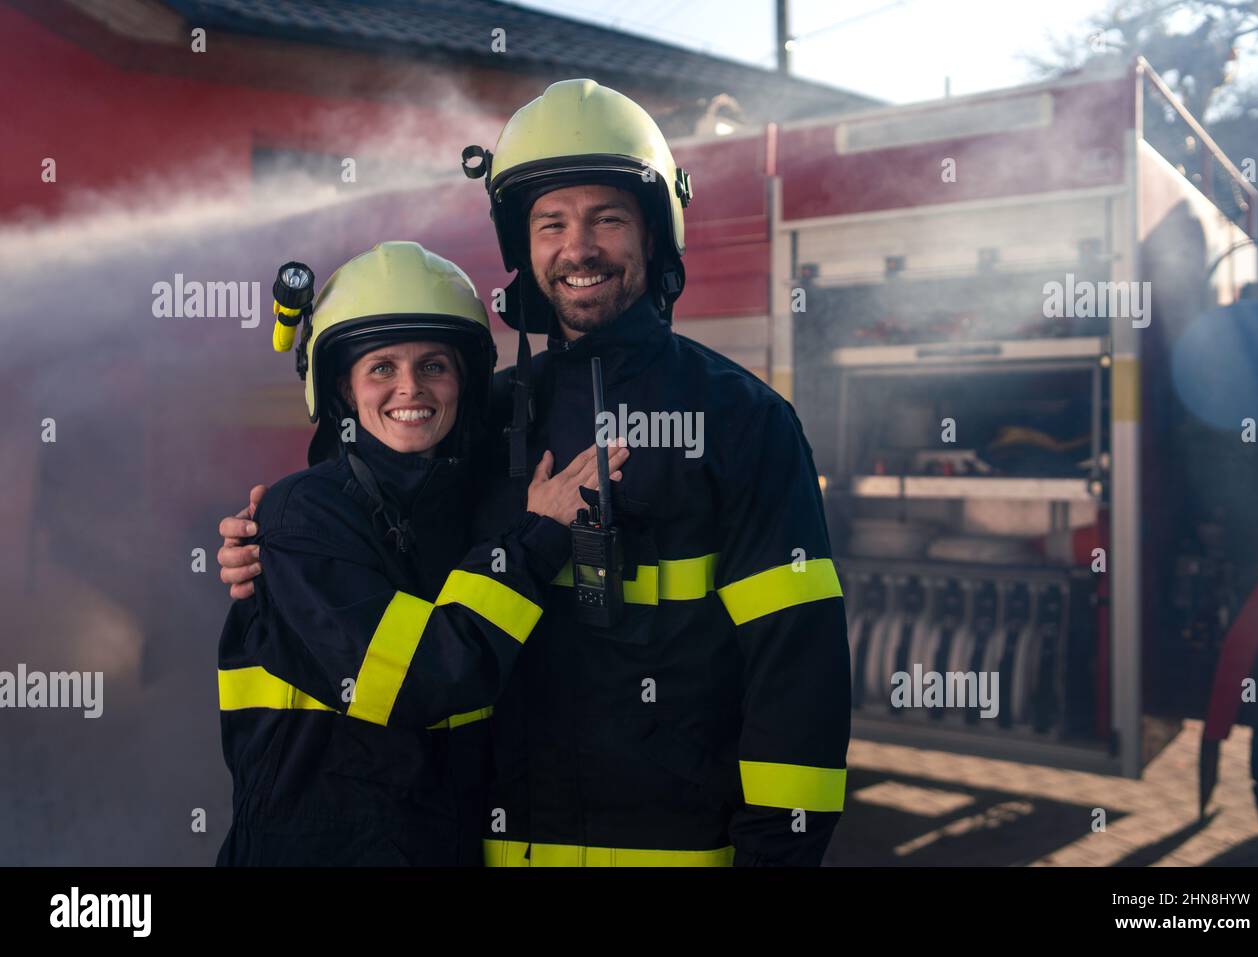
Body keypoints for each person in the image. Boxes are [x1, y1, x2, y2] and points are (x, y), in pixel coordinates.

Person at [221, 79, 849, 867]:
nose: (578, 248)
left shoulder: (742, 421)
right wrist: (268, 537)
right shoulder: (480, 415)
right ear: (522, 249)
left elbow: (799, 667)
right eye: (551, 223)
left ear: (655, 235)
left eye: (607, 219)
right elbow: (369, 529)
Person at [216, 241, 627, 866]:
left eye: (433, 365)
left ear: (464, 382)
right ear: (343, 391)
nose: (410, 387)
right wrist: (538, 539)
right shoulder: (303, 514)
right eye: (381, 367)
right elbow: (418, 679)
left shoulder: (457, 509)